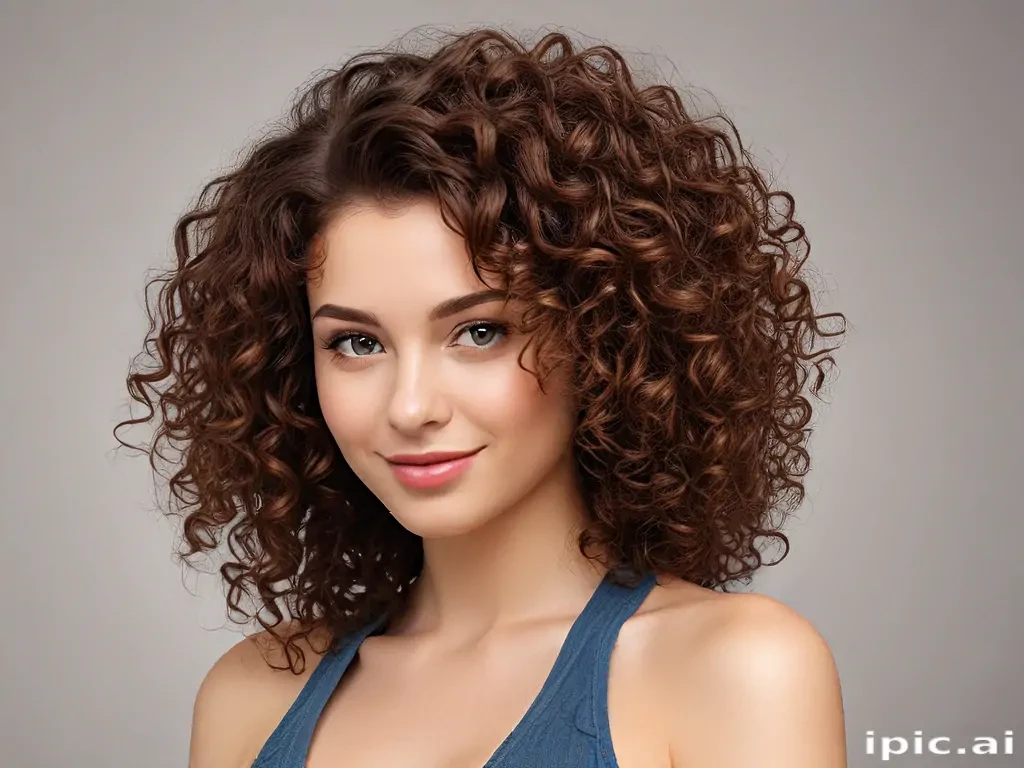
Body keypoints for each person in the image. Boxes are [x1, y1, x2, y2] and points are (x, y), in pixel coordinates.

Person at [116, 27, 848, 768]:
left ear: (602, 338)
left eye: (478, 332)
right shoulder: (252, 695)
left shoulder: (733, 672)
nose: (410, 408)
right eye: (357, 343)